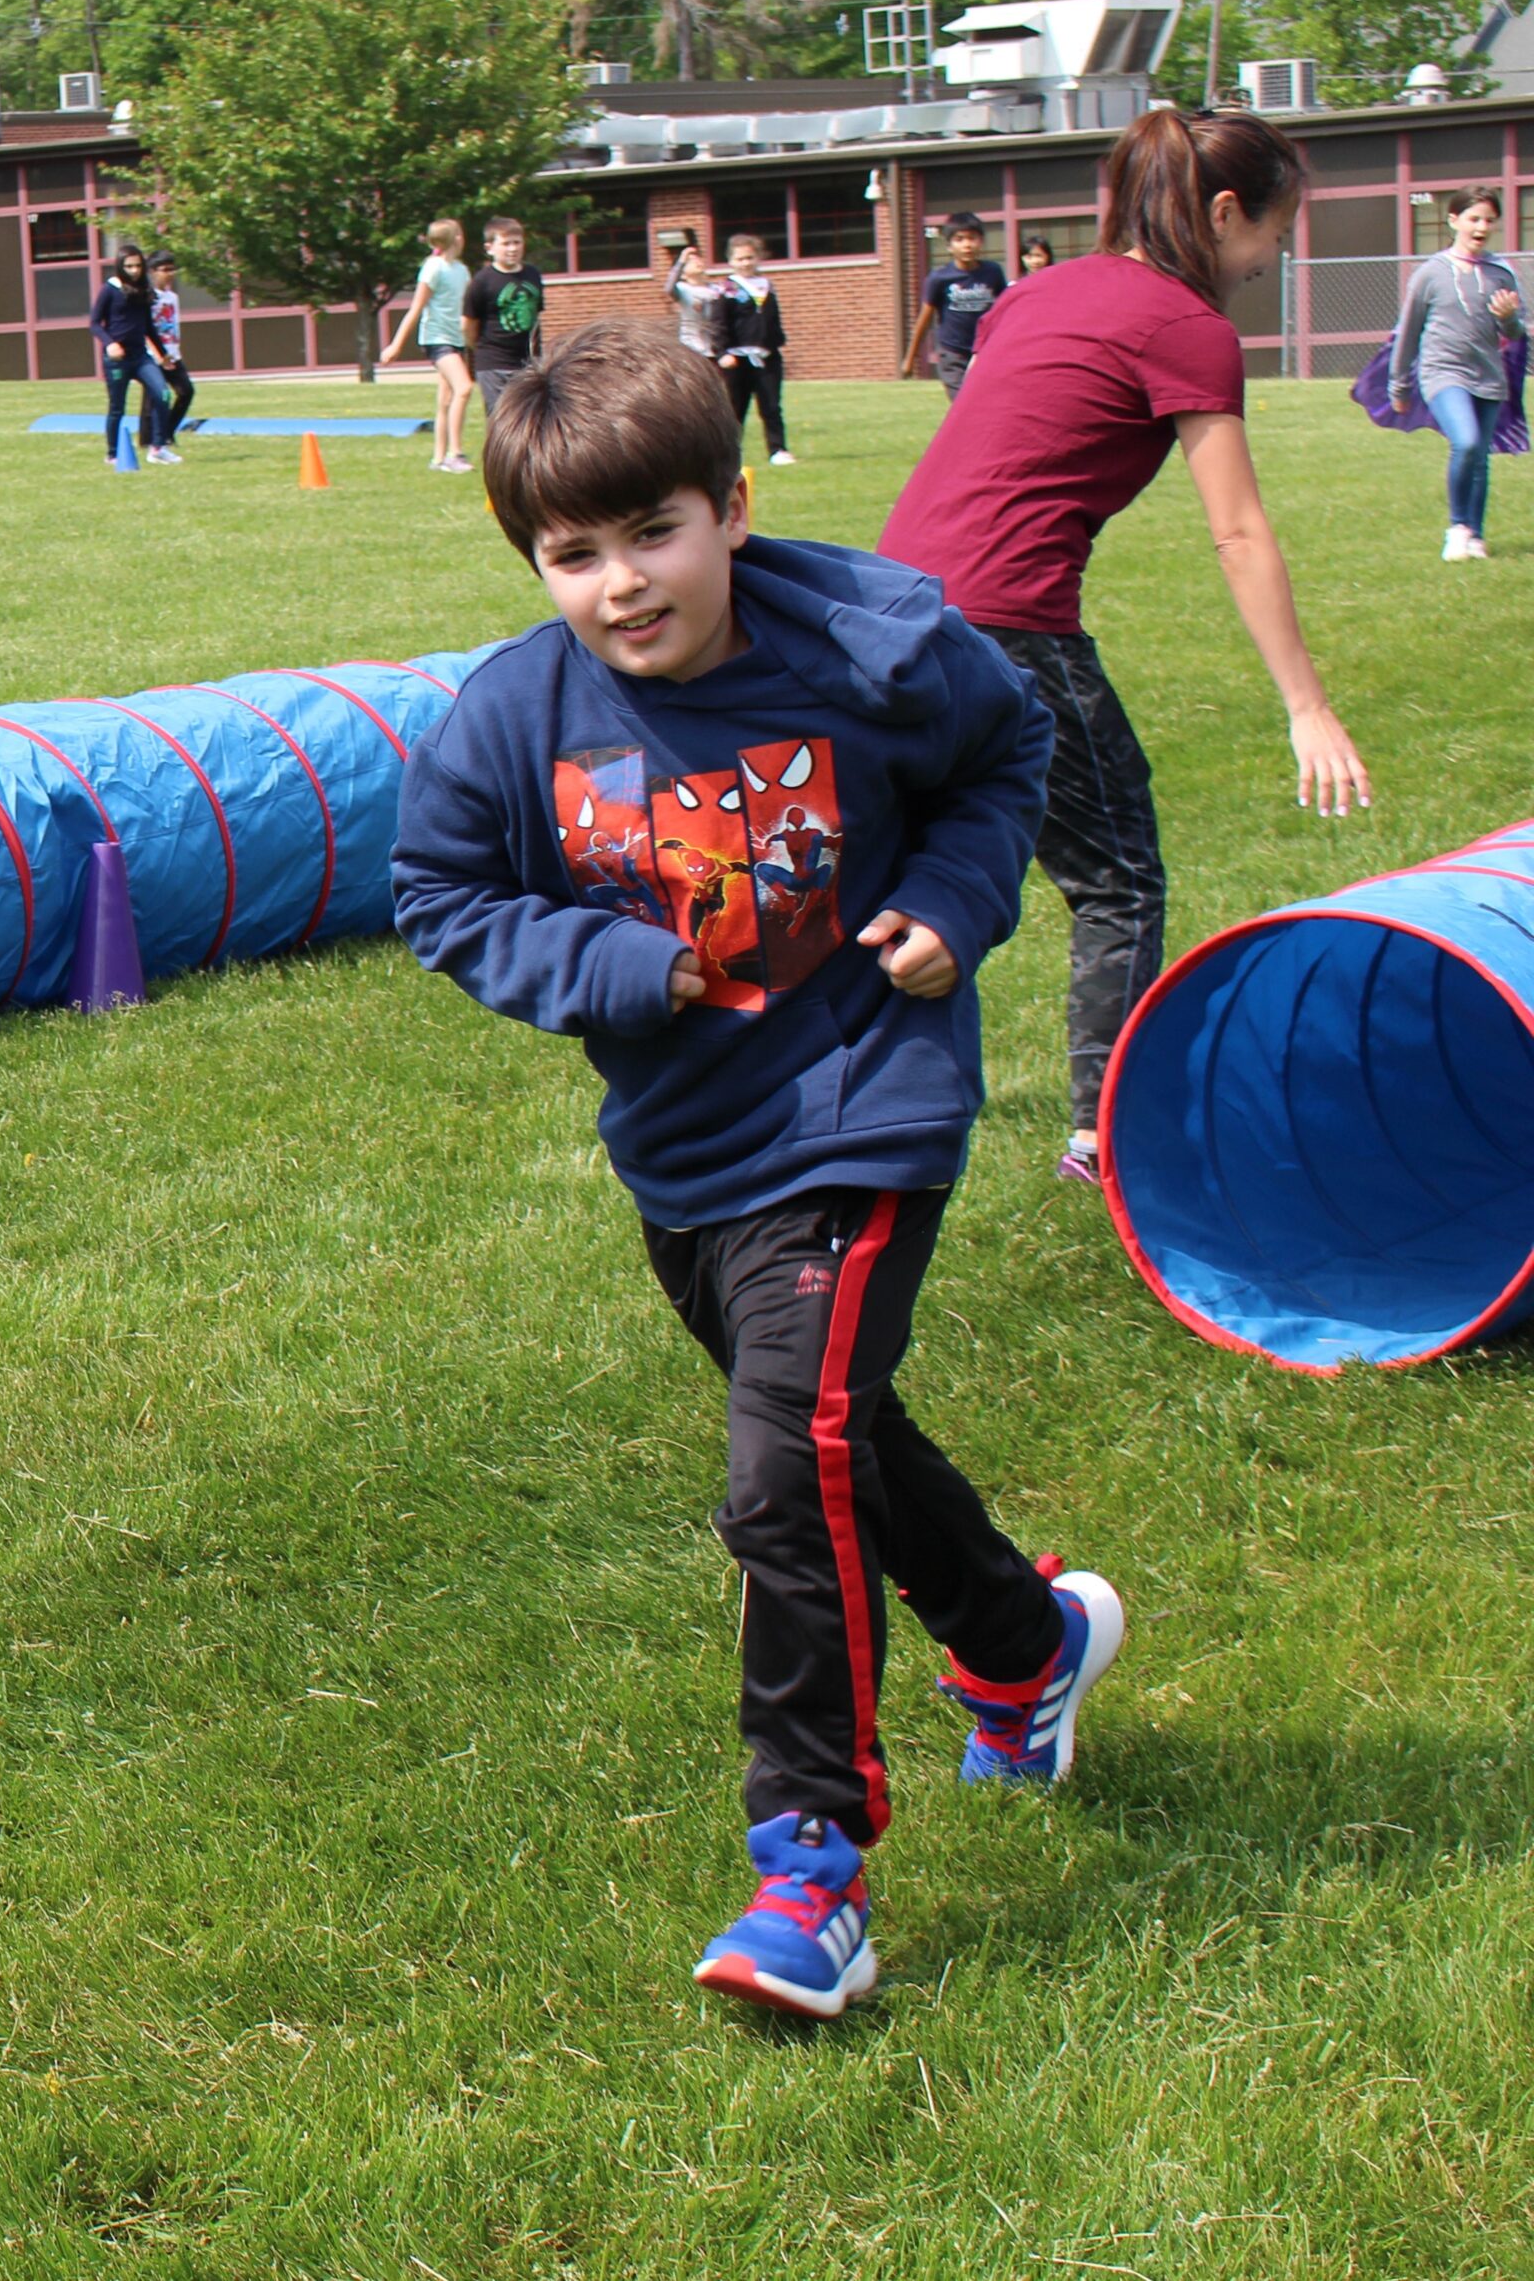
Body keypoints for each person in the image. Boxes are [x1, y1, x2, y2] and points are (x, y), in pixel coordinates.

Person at [391, 320, 1119, 2024]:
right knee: (837, 1437)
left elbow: (1003, 760)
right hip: (684, 1147)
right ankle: (1024, 1647)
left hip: (861, 1106)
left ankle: (812, 1870)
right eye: (573, 555)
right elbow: (442, 898)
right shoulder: (515, 716)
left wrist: (953, 902)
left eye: (654, 533)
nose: (621, 584)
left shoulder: (872, 648)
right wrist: (618, 972)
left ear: (731, 505)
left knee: (785, 1470)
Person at [880, 106, 1371, 1186]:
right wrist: (1306, 705)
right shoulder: (1187, 326)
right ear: (1224, 212)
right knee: (1118, 883)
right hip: (1005, 625)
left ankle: (849, 1090)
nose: (1271, 262)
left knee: (918, 864)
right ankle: (1104, 1139)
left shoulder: (1034, 293)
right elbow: (1236, 531)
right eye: (1274, 237)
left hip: (889, 610)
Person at [1388, 187, 1524, 561]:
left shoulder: (1501, 274)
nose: (1482, 227)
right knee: (1464, 442)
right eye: (1474, 218)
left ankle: (1476, 536)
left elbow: (1514, 333)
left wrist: (1509, 318)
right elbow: (1408, 331)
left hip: (1489, 377)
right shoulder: (1430, 274)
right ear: (1454, 221)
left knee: (1479, 455)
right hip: (1442, 373)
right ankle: (1457, 527)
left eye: (1489, 220)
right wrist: (1398, 383)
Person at [382, 218, 474, 471]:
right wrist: (395, 345)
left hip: (456, 339)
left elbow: (469, 307)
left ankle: (438, 459)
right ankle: (455, 454)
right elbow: (416, 309)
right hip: (437, 340)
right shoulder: (433, 268)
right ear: (456, 239)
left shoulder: (461, 270)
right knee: (464, 388)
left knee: (445, 398)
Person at [899, 212, 1008, 404]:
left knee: (989, 402)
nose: (967, 244)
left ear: (981, 241)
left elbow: (1005, 308)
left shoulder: (992, 272)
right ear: (949, 246)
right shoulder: (939, 278)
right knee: (963, 404)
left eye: (972, 238)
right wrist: (910, 358)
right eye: (959, 239)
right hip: (953, 354)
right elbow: (924, 320)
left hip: (984, 351)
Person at [87, 242, 169, 468]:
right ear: (121, 267)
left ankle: (158, 448)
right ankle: (113, 453)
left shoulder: (143, 290)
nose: (134, 270)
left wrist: (163, 354)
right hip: (117, 360)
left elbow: (149, 327)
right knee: (117, 408)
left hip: (141, 356)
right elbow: (94, 324)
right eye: (129, 266)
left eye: (138, 266)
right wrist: (110, 344)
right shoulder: (110, 289)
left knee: (162, 394)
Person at [715, 233, 793, 465]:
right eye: (740, 259)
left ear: (758, 258)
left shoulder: (767, 287)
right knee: (736, 408)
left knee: (771, 405)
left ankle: (777, 449)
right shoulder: (726, 289)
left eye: (750, 257)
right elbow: (718, 324)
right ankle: (729, 456)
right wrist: (723, 353)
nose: (745, 263)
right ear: (730, 261)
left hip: (767, 357)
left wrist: (775, 343)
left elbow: (773, 320)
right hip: (737, 359)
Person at [463, 217, 545, 433]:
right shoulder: (482, 281)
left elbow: (535, 317)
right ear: (489, 248)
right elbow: (468, 325)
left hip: (528, 362)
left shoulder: (532, 275)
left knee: (531, 420)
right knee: (501, 423)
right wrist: (481, 349)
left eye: (517, 242)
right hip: (494, 363)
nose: (513, 249)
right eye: (506, 243)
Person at [142, 250, 194, 467]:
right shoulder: (146, 296)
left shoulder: (173, 297)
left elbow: (173, 325)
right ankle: (151, 442)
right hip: (152, 355)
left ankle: (165, 434)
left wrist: (174, 350)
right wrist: (154, 352)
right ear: (153, 272)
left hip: (172, 353)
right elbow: (144, 327)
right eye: (164, 270)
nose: (169, 274)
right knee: (154, 398)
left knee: (186, 391)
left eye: (172, 269)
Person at [667, 235, 727, 362]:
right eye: (690, 261)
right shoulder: (683, 289)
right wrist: (681, 260)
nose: (696, 261)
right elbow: (668, 288)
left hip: (716, 349)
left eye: (697, 258)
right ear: (683, 273)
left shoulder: (716, 289)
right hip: (692, 349)